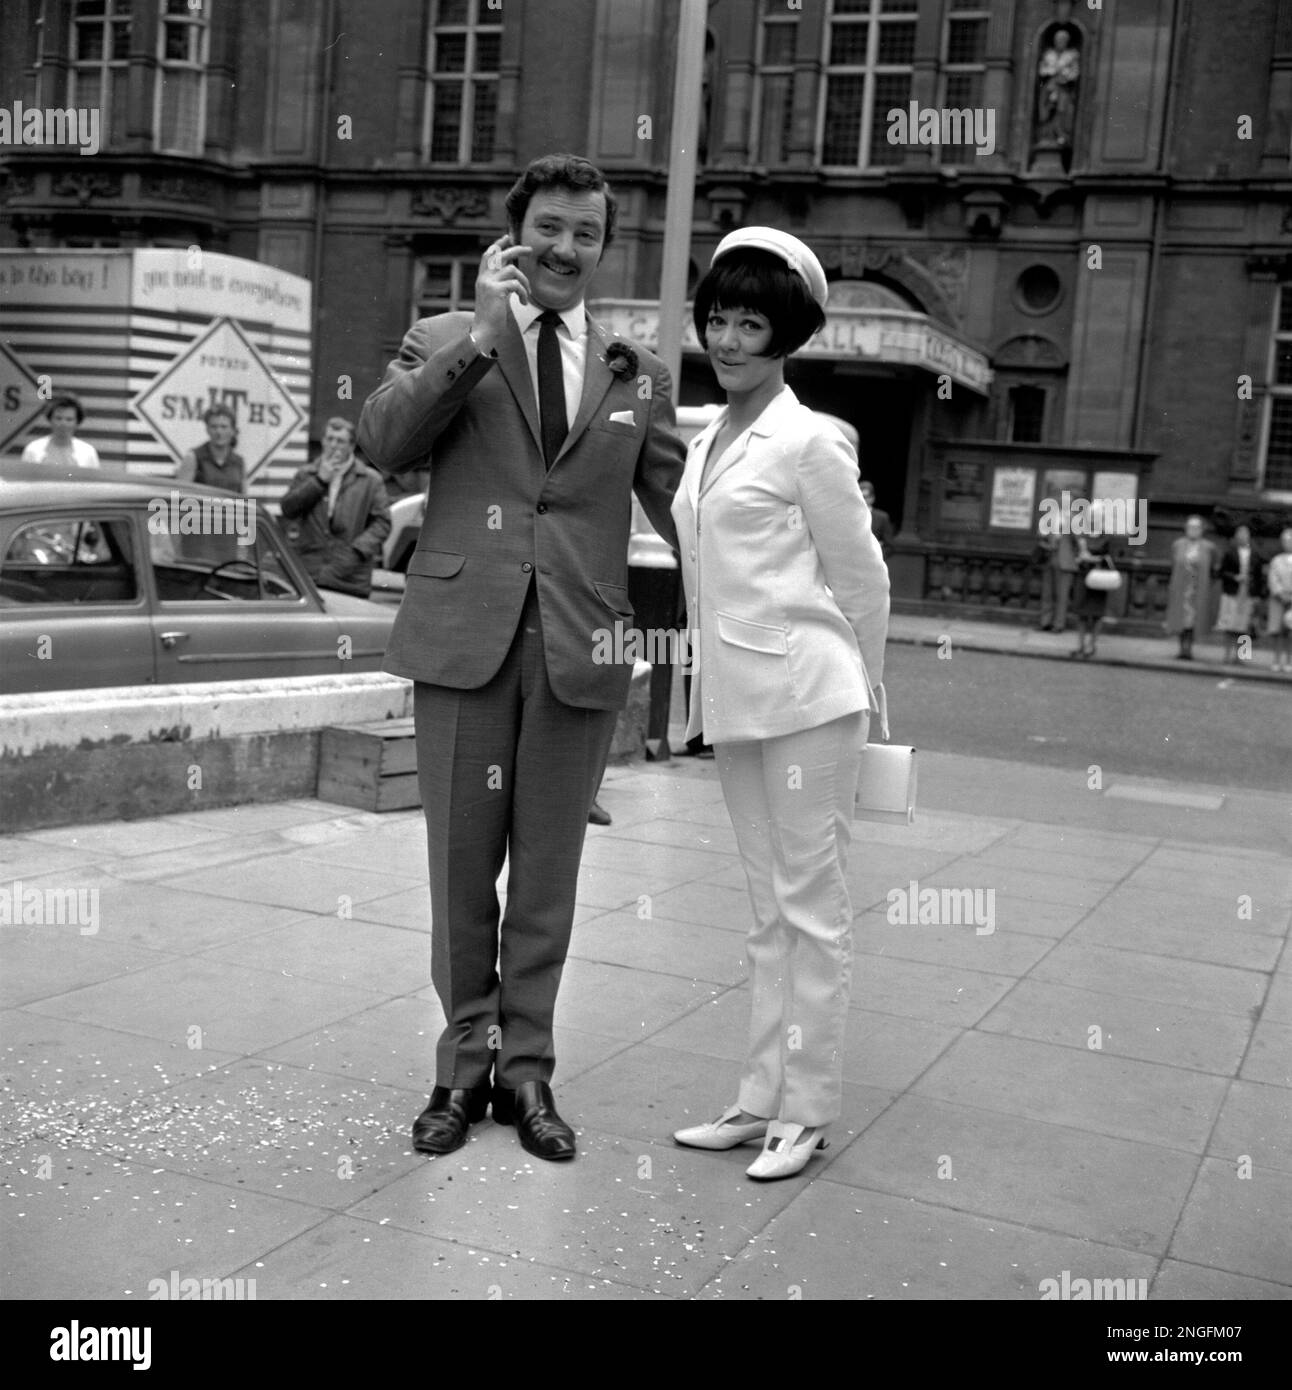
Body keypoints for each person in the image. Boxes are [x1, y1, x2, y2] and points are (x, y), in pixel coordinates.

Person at [357, 153, 683, 1162]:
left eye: (584, 233)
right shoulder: (449, 339)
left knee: (547, 873)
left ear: (601, 244)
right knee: (461, 873)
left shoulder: (637, 371)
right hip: (465, 641)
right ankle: (462, 1068)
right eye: (548, 226)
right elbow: (382, 441)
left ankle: (527, 1071)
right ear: (514, 230)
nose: (564, 248)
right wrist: (486, 334)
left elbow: (688, 508)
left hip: (580, 647)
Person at [670, 228, 890, 1181]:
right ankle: (758, 1098)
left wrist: (864, 687)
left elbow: (864, 575)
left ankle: (806, 1110)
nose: (727, 340)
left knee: (812, 909)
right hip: (738, 698)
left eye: (750, 324)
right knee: (768, 911)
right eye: (719, 318)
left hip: (808, 699)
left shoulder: (808, 440)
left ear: (787, 333)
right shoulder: (709, 436)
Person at [280, 416, 391, 596]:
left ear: (351, 446)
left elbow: (383, 523)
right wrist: (318, 481)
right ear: (323, 441)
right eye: (329, 439)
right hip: (310, 574)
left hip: (350, 576)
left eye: (340, 441)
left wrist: (356, 552)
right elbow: (288, 509)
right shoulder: (307, 474)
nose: (333, 445)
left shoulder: (370, 480)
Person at [1164, 515, 1217, 660]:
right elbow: (1173, 565)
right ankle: (1182, 647)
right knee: (1181, 617)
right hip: (1182, 587)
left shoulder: (1209, 547)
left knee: (1194, 618)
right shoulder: (1178, 545)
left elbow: (1213, 568)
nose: (1193, 530)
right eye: (1190, 527)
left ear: (1202, 530)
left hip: (1198, 588)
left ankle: (1189, 647)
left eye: (1196, 527)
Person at [1069, 504, 1116, 660]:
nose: (1094, 519)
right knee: (1081, 613)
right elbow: (1076, 557)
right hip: (1083, 577)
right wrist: (1080, 557)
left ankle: (1092, 644)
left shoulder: (1106, 537)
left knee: (1096, 615)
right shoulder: (1082, 535)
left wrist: (1092, 558)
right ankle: (1080, 645)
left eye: (1097, 516)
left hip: (1099, 579)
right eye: (1091, 516)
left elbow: (1109, 558)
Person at [1216, 523, 1263, 664]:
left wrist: (1257, 595)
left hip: (1248, 593)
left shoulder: (1255, 555)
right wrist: (1235, 577)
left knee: (1245, 626)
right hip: (1232, 592)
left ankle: (1242, 656)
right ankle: (1227, 654)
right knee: (1229, 625)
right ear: (1236, 537)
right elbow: (1221, 572)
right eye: (1240, 534)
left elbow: (1259, 577)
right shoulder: (1230, 553)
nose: (1243, 537)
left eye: (1245, 534)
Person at [175, 402, 246, 492]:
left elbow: (244, 500)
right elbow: (178, 497)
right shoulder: (193, 458)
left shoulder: (238, 462)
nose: (219, 432)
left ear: (233, 430)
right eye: (214, 427)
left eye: (224, 427)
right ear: (207, 429)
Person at [1035, 486, 1077, 631]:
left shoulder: (1074, 519)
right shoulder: (1051, 516)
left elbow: (1078, 541)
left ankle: (1058, 624)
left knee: (1062, 595)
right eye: (1061, 501)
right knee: (1047, 593)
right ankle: (1045, 622)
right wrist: (1047, 535)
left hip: (1065, 561)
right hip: (1049, 556)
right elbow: (1040, 533)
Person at [21, 395, 100, 469]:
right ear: (50, 419)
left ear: (77, 422)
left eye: (69, 419)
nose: (63, 423)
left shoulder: (88, 452)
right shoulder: (33, 450)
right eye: (58, 418)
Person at [1265, 527, 1292, 672]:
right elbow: (1273, 579)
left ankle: (1289, 661)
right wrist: (1280, 594)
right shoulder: (1276, 560)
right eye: (1286, 540)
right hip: (1278, 600)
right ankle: (1276, 659)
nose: (1288, 543)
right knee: (1277, 631)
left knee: (1290, 632)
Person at [859, 479, 894, 561]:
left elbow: (889, 546)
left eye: (866, 497)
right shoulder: (849, 516)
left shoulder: (882, 517)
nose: (862, 500)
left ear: (872, 498)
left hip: (872, 564)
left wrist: (877, 558)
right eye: (860, 496)